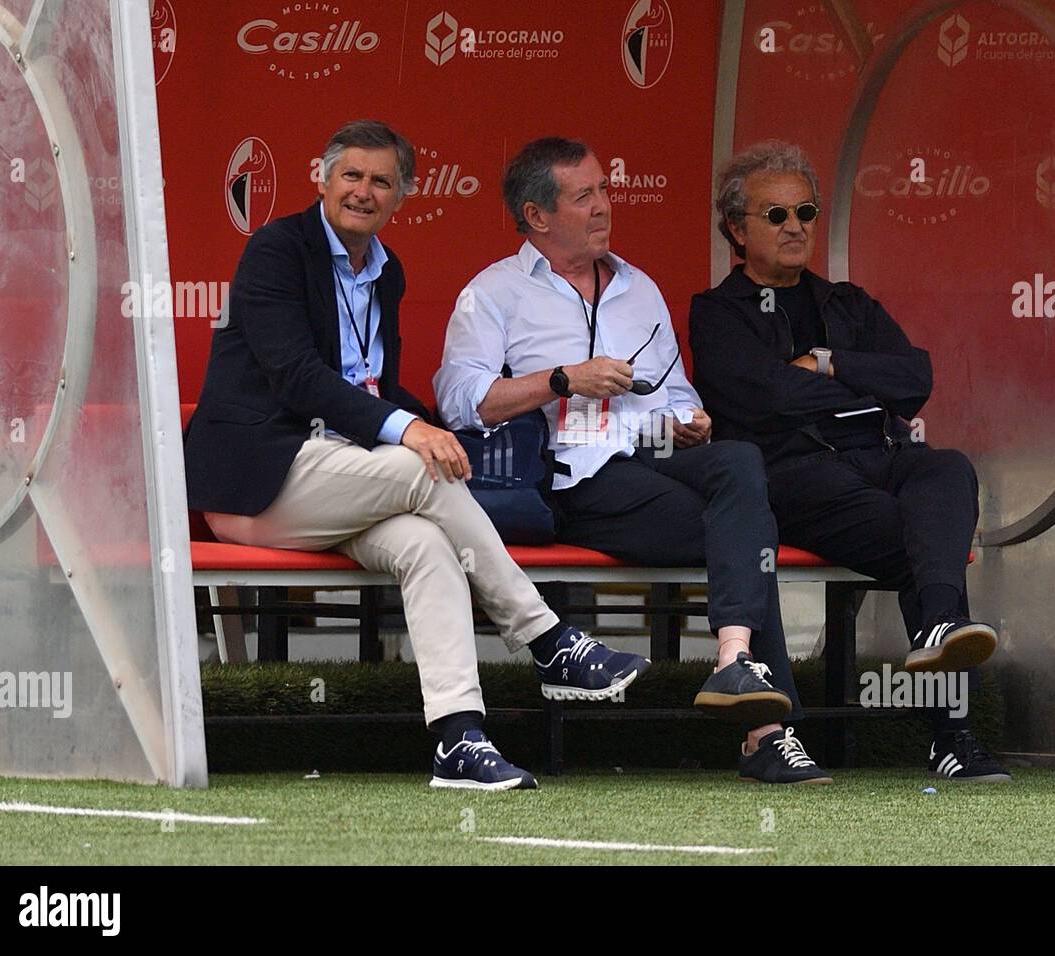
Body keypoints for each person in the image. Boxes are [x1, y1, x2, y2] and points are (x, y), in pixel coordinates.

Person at [183, 120, 649, 791]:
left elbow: (372, 383)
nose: (363, 192)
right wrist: (412, 432)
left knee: (427, 546)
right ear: (323, 178)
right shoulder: (277, 250)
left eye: (381, 181)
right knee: (420, 466)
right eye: (352, 176)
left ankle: (458, 740)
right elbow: (300, 378)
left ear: (402, 194)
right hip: (259, 483)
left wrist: (424, 425)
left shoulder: (387, 270)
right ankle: (548, 641)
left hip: (350, 481)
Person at [435, 137, 832, 785]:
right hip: (575, 478)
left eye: (604, 190)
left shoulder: (637, 286)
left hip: (655, 452)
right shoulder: (494, 294)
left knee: (736, 461)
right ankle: (766, 732)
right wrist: (562, 379)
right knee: (742, 533)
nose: (603, 207)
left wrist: (690, 420)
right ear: (538, 216)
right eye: (584, 195)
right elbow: (459, 402)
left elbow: (676, 392)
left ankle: (735, 659)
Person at [688, 140, 1011, 782]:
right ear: (736, 228)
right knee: (930, 545)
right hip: (797, 477)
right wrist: (859, 384)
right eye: (775, 215)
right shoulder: (717, 312)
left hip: (883, 456)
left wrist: (829, 362)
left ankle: (940, 625)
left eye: (804, 212)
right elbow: (762, 395)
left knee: (948, 469)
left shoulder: (847, 303)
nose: (795, 227)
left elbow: (915, 376)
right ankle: (953, 734)